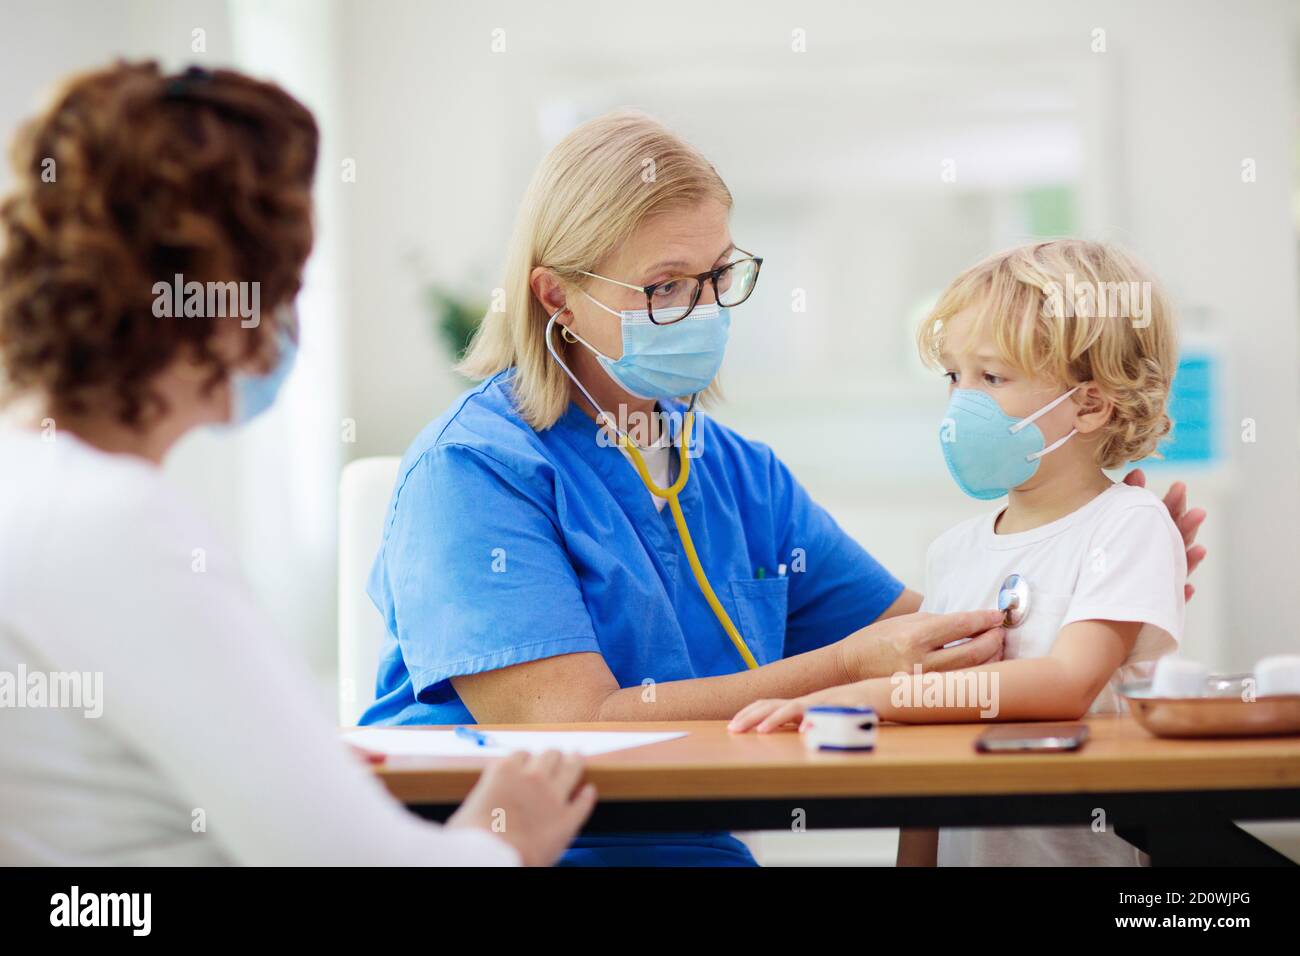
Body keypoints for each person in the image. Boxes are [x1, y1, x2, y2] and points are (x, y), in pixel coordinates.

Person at [361, 110, 1206, 867]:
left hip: (695, 845)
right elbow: (562, 727)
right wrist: (841, 669)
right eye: (664, 287)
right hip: (510, 847)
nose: (702, 309)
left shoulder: (737, 473)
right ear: (559, 298)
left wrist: (1080, 584)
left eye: (717, 277)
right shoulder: (476, 470)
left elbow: (923, 635)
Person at [0, 61, 593, 866]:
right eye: (283, 283)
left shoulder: (30, 483)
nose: (285, 321)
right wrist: (505, 836)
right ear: (212, 297)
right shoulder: (117, 524)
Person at [729, 240, 1187, 867]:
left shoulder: (1130, 525)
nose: (960, 402)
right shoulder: (956, 552)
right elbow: (930, 767)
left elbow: (1065, 684)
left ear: (1089, 403)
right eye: (954, 376)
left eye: (992, 377)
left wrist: (870, 694)